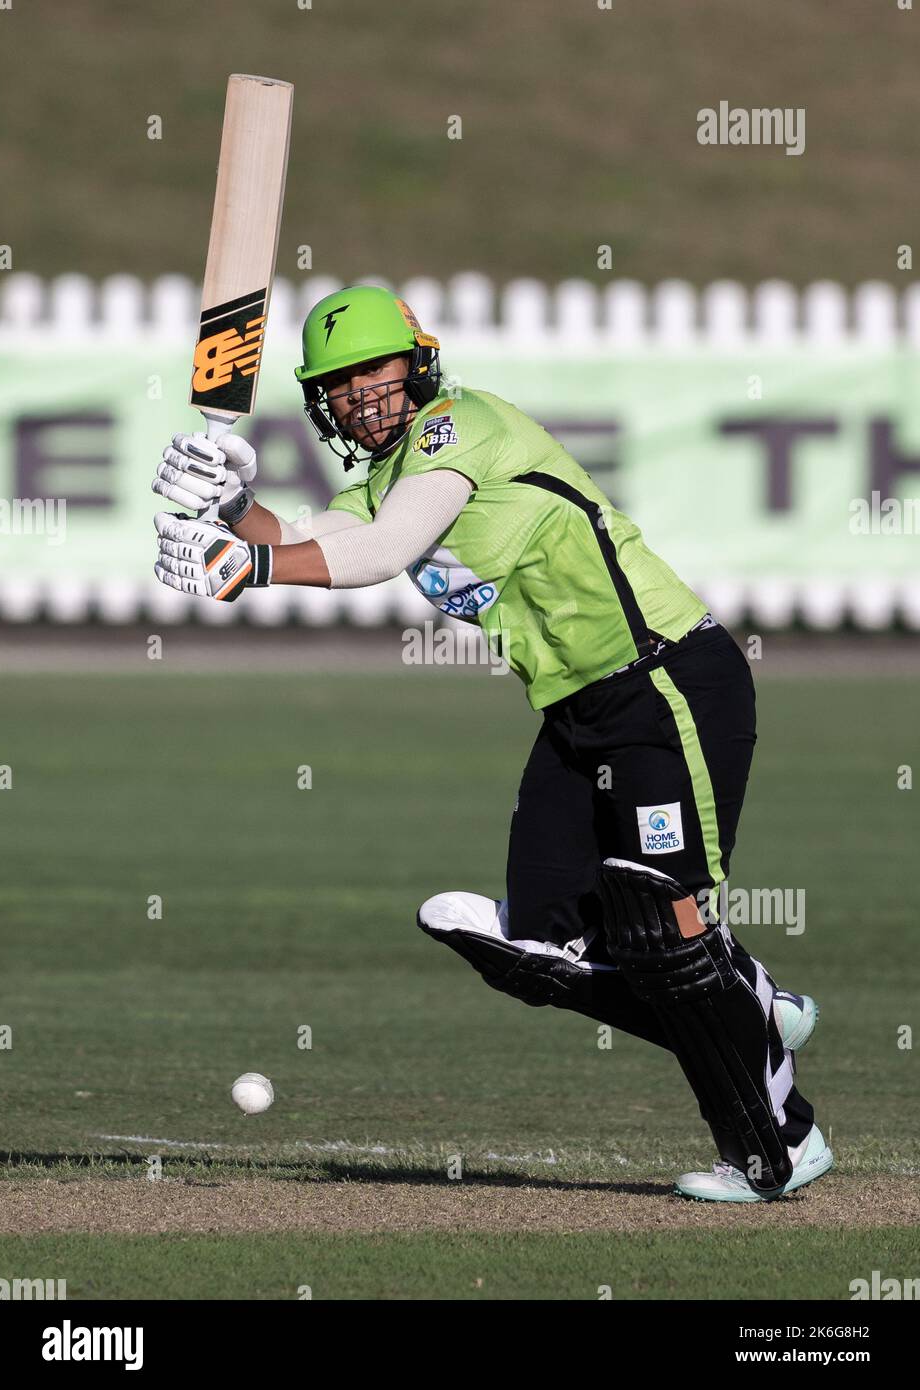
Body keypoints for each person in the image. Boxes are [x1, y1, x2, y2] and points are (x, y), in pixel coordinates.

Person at [153, 284, 832, 1202]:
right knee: (531, 948)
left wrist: (255, 568)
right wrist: (233, 507)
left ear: (419, 362)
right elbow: (317, 532)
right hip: (575, 715)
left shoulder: (459, 428)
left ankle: (775, 1148)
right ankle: (744, 1002)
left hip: (666, 683)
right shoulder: (385, 478)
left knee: (659, 920)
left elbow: (381, 552)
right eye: (339, 386)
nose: (362, 396)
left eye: (375, 371)